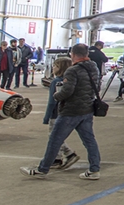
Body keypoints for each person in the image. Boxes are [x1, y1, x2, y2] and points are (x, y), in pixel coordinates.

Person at [21, 43, 101, 180]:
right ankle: (94, 169)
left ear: (72, 54)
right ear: (87, 53)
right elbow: (97, 87)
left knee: (55, 140)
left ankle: (42, 169)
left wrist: (56, 95)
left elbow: (67, 91)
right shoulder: (93, 67)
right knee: (89, 140)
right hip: (87, 109)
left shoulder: (72, 70)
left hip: (70, 111)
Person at [43, 56, 80, 171]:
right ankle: (61, 156)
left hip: (56, 113)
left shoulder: (55, 82)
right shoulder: (71, 80)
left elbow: (52, 101)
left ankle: (64, 155)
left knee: (53, 136)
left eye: (55, 66)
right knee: (57, 135)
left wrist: (47, 116)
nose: (53, 68)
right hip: (67, 112)